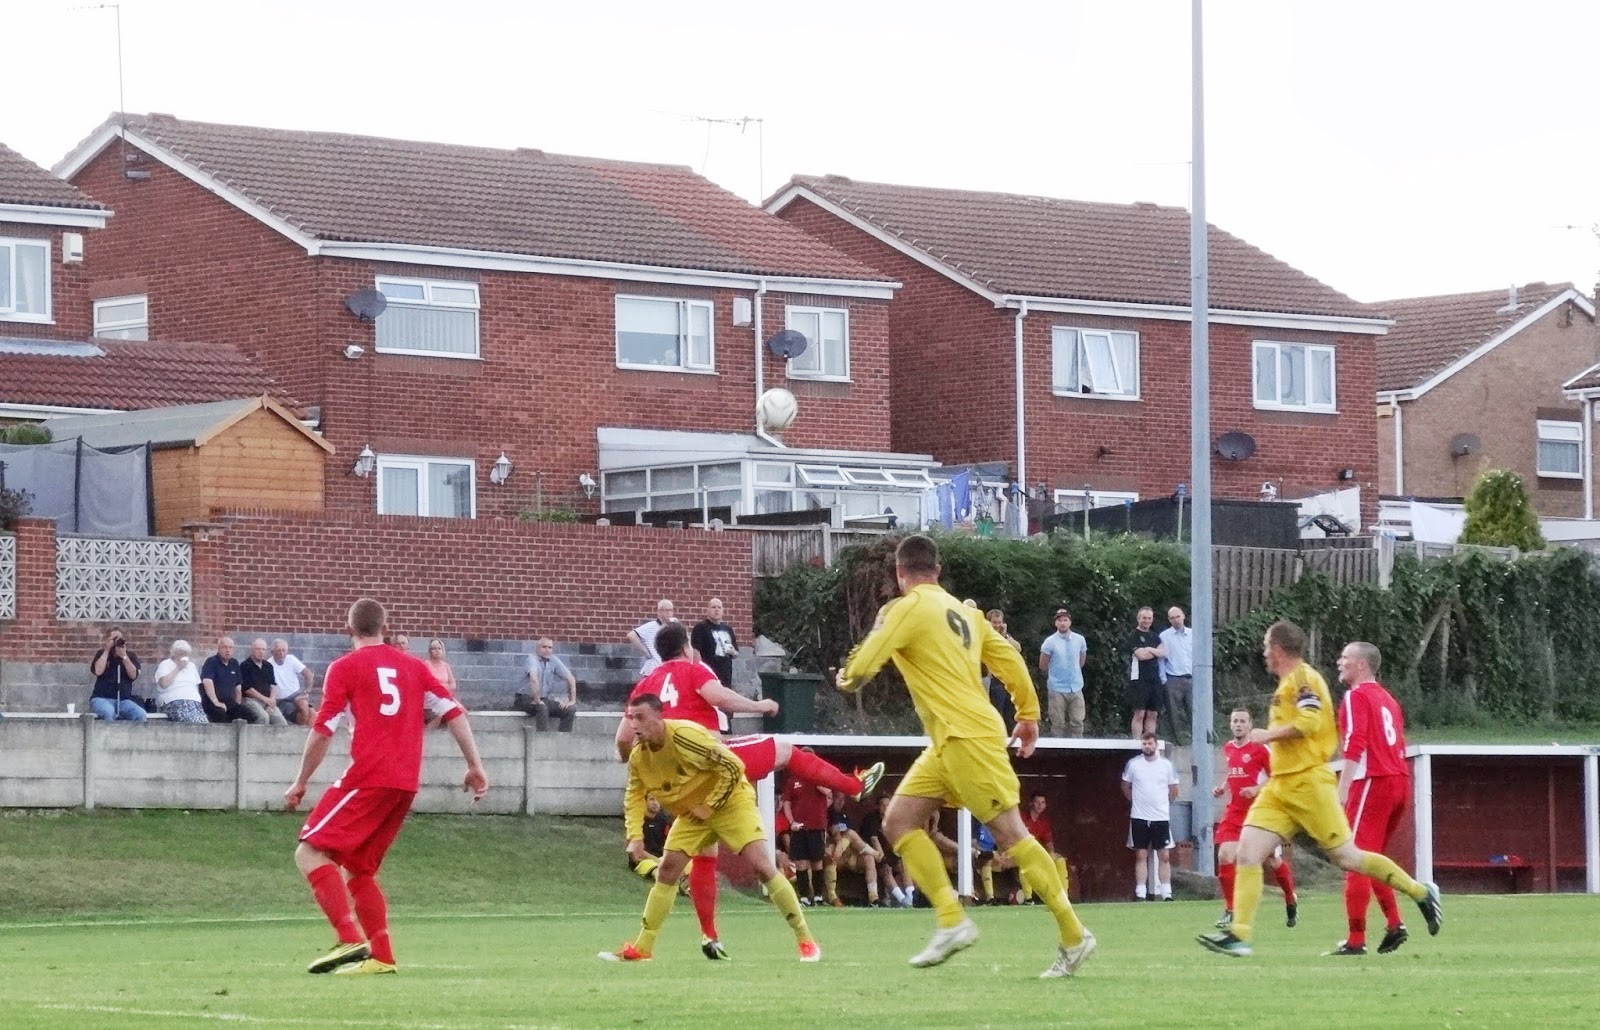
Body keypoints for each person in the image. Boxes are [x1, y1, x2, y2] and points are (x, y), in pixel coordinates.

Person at [836, 534, 1095, 978]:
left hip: (967, 738)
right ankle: (952, 921)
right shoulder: (967, 613)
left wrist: (846, 676)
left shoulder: (905, 607)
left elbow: (862, 669)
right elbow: (1010, 661)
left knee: (1013, 835)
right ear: (937, 571)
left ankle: (1074, 935)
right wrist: (1028, 714)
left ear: (901, 575)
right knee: (897, 822)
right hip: (950, 741)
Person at [615, 621, 883, 960]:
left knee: (704, 857)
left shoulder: (645, 689)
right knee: (784, 750)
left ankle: (711, 936)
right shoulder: (692, 669)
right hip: (710, 758)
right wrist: (759, 707)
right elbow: (718, 696)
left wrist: (638, 760)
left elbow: (623, 739)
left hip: (696, 784)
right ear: (686, 648)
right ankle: (854, 786)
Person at [1197, 620, 1442, 958]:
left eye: (1267, 645)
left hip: (1309, 781)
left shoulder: (1304, 680)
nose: (1263, 652)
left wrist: (1266, 735)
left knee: (1348, 857)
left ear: (1279, 649)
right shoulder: (1286, 684)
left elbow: (1310, 723)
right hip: (1280, 785)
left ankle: (1419, 892)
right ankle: (1239, 934)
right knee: (1246, 853)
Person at [284, 597, 488, 976]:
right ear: (385, 629)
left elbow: (323, 728)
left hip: (367, 776)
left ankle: (349, 938)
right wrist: (475, 766)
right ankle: (382, 957)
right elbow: (455, 712)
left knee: (309, 851)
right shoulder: (414, 667)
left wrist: (300, 782)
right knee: (359, 870)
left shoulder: (344, 667)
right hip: (404, 784)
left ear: (349, 630)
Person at [603, 692, 820, 963]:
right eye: (631, 718)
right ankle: (643, 948)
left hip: (731, 803)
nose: (634, 724)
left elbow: (733, 766)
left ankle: (806, 940)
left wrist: (709, 805)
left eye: (641, 717)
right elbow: (634, 795)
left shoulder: (686, 736)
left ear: (659, 717)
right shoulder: (639, 758)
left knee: (762, 867)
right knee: (668, 870)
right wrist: (634, 836)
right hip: (695, 813)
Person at [1331, 641, 1412, 956]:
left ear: (1362, 665)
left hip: (1373, 781)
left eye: (1345, 658)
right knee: (1372, 858)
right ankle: (1394, 923)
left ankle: (1355, 939)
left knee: (1354, 858)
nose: (1340, 662)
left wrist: (1344, 786)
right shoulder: (1388, 699)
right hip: (1399, 781)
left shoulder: (1357, 695)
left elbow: (1356, 740)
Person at [1211, 708, 1297, 929]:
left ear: (1250, 725)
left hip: (1260, 811)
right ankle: (1230, 910)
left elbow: (1277, 777)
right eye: (1235, 721)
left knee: (1272, 861)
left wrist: (1256, 789)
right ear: (1230, 725)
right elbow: (1234, 773)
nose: (1238, 725)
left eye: (1242, 721)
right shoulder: (1228, 748)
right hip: (1234, 812)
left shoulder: (1261, 749)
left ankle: (1289, 896)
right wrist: (1222, 788)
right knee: (1224, 856)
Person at [1122, 732, 1179, 900]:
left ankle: (1166, 892)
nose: (1147, 746)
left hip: (1161, 817)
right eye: (1144, 744)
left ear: (1156, 745)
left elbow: (1174, 790)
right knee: (1140, 854)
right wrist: (1135, 801)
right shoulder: (1133, 764)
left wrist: (1164, 805)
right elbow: (1125, 786)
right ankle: (1141, 892)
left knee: (1164, 855)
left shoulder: (1167, 765)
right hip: (1139, 816)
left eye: (1150, 743)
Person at [1038, 608, 1088, 738]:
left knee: (1077, 721)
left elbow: (1082, 659)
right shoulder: (1049, 642)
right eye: (1059, 620)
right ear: (1055, 623)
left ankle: (1078, 751)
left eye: (1065, 620)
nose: (1062, 623)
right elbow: (1043, 664)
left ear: (1070, 622)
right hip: (1057, 688)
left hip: (1076, 686)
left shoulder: (1080, 639)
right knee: (1057, 723)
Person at [782, 773, 831, 906]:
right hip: (799, 828)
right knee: (800, 863)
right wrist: (791, 822)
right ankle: (804, 897)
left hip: (817, 827)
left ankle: (818, 896)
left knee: (817, 862)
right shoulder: (793, 780)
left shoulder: (820, 777)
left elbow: (829, 794)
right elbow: (786, 802)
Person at [1018, 792, 1070, 905]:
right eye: (1037, 802)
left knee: (1060, 861)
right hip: (1022, 852)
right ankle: (1028, 898)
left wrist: (1052, 853)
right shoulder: (1022, 817)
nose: (1040, 805)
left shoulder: (1044, 822)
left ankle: (1063, 897)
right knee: (1027, 861)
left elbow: (1049, 842)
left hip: (1038, 853)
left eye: (1042, 803)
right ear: (1031, 803)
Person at [89, 626, 146, 722]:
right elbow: (98, 671)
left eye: (119, 639)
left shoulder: (130, 656)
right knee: (108, 712)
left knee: (140, 714)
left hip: (124, 700)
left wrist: (124, 657)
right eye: (114, 639)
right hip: (102, 698)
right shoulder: (101, 654)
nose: (116, 642)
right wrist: (106, 650)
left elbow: (133, 675)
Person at [1125, 607, 1166, 739]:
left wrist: (1149, 649)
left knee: (1152, 714)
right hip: (1139, 679)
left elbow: (1163, 653)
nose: (1146, 621)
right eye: (1144, 618)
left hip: (1155, 679)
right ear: (1138, 619)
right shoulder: (1133, 636)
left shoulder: (1155, 636)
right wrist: (1154, 651)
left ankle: (1150, 741)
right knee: (1139, 713)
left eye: (1149, 618)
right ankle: (1136, 742)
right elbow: (1141, 656)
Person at [524, 638, 578, 732]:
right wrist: (537, 700)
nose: (547, 650)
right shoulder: (531, 659)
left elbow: (570, 678)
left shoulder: (553, 660)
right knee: (542, 708)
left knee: (570, 709)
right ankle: (543, 740)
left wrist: (572, 700)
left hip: (543, 699)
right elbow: (533, 679)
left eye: (550, 647)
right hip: (525, 698)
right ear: (537, 648)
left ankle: (563, 739)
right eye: (544, 647)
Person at [201, 636, 258, 723]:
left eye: (230, 647)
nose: (227, 650)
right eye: (224, 647)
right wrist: (216, 702)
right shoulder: (211, 662)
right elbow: (207, 682)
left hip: (230, 703)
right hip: (213, 703)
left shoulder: (234, 663)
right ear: (218, 648)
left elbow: (238, 687)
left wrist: (237, 704)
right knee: (221, 714)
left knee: (250, 715)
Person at [1159, 606, 1193, 744]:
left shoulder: (1193, 634)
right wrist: (1163, 679)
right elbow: (1161, 659)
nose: (1176, 620)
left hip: (1191, 678)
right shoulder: (1164, 636)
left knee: (1194, 711)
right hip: (1172, 678)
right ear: (1169, 620)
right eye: (1172, 618)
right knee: (1173, 713)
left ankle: (1198, 740)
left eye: (1178, 616)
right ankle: (1177, 741)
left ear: (1183, 616)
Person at [153, 639, 210, 724]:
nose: (183, 656)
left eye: (185, 654)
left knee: (203, 723)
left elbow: (196, 686)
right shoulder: (165, 664)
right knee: (188, 720)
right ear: (174, 654)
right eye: (180, 653)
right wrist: (178, 668)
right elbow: (164, 683)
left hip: (193, 702)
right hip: (174, 701)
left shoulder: (191, 666)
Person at [689, 597, 739, 689]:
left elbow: (736, 653)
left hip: (725, 673)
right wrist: (700, 671)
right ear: (707, 610)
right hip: (709, 671)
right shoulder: (701, 628)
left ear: (723, 610)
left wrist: (733, 652)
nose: (717, 610)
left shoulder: (728, 629)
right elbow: (696, 651)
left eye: (719, 607)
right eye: (713, 607)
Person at [983, 608, 1021, 727]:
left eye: (1000, 622)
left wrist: (1004, 635)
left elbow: (1018, 648)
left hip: (1005, 678)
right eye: (995, 622)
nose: (998, 625)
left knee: (1009, 711)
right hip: (991, 678)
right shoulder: (985, 635)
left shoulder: (1005, 636)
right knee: (996, 709)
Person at [240, 638, 288, 726]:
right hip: (250, 700)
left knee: (281, 723)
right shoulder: (245, 665)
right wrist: (266, 700)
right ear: (252, 650)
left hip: (268, 701)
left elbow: (273, 685)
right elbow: (248, 689)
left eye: (263, 649)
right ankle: (258, 739)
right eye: (258, 649)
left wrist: (271, 701)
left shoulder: (268, 666)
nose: (261, 652)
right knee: (263, 717)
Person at [626, 599, 675, 677]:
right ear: (659, 612)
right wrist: (646, 652)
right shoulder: (650, 626)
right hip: (653, 670)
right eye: (666, 610)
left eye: (671, 610)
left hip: (668, 670)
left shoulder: (674, 627)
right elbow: (631, 635)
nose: (669, 613)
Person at [271, 638, 314, 726]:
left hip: (295, 694)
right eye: (278, 650)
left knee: (313, 714)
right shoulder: (269, 664)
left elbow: (308, 673)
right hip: (281, 700)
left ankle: (302, 733)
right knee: (304, 707)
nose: (281, 653)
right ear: (273, 651)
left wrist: (307, 691)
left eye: (284, 650)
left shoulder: (290, 659)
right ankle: (301, 732)